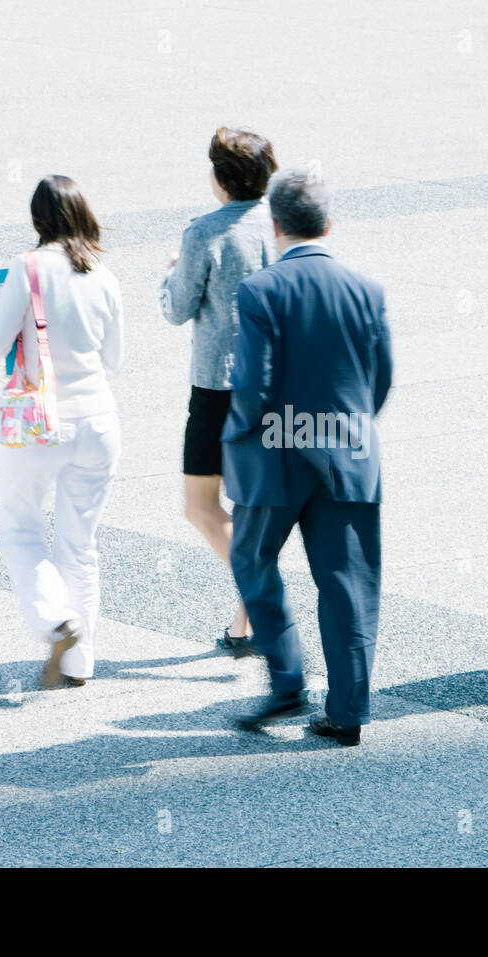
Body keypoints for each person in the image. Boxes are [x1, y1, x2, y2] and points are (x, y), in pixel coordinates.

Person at [225, 168, 393, 747]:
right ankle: (347, 712)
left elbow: (252, 383)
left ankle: (288, 676)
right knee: (348, 582)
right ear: (329, 222)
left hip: (275, 455)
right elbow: (381, 380)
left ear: (274, 225)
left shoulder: (261, 290)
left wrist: (239, 435)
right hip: (348, 450)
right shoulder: (366, 290)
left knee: (250, 557)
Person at [0, 175, 123, 689]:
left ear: (38, 218)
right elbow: (116, 358)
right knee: (80, 543)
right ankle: (78, 664)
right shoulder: (104, 276)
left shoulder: (27, 267)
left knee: (17, 524)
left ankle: (53, 620)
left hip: (41, 423)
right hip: (100, 422)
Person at [160, 127, 278, 654]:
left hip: (216, 387)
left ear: (219, 177)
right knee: (250, 506)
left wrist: (168, 276)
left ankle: (260, 592)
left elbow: (176, 308)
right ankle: (245, 624)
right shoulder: (278, 229)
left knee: (199, 505)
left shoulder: (204, 232)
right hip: (273, 386)